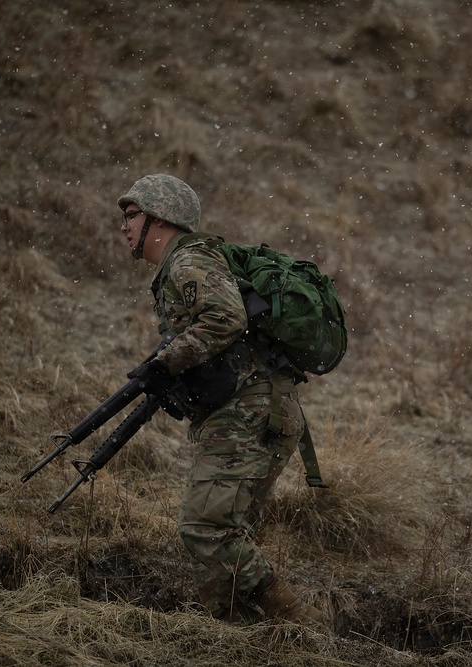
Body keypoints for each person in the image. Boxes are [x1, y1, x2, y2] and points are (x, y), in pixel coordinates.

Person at [116, 173, 326, 626]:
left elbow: (226, 318)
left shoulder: (188, 261)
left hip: (250, 412)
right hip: (260, 409)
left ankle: (306, 624)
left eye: (131, 215)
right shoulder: (189, 264)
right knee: (223, 530)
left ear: (160, 220)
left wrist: (166, 362)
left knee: (205, 527)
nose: (124, 226)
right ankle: (231, 631)